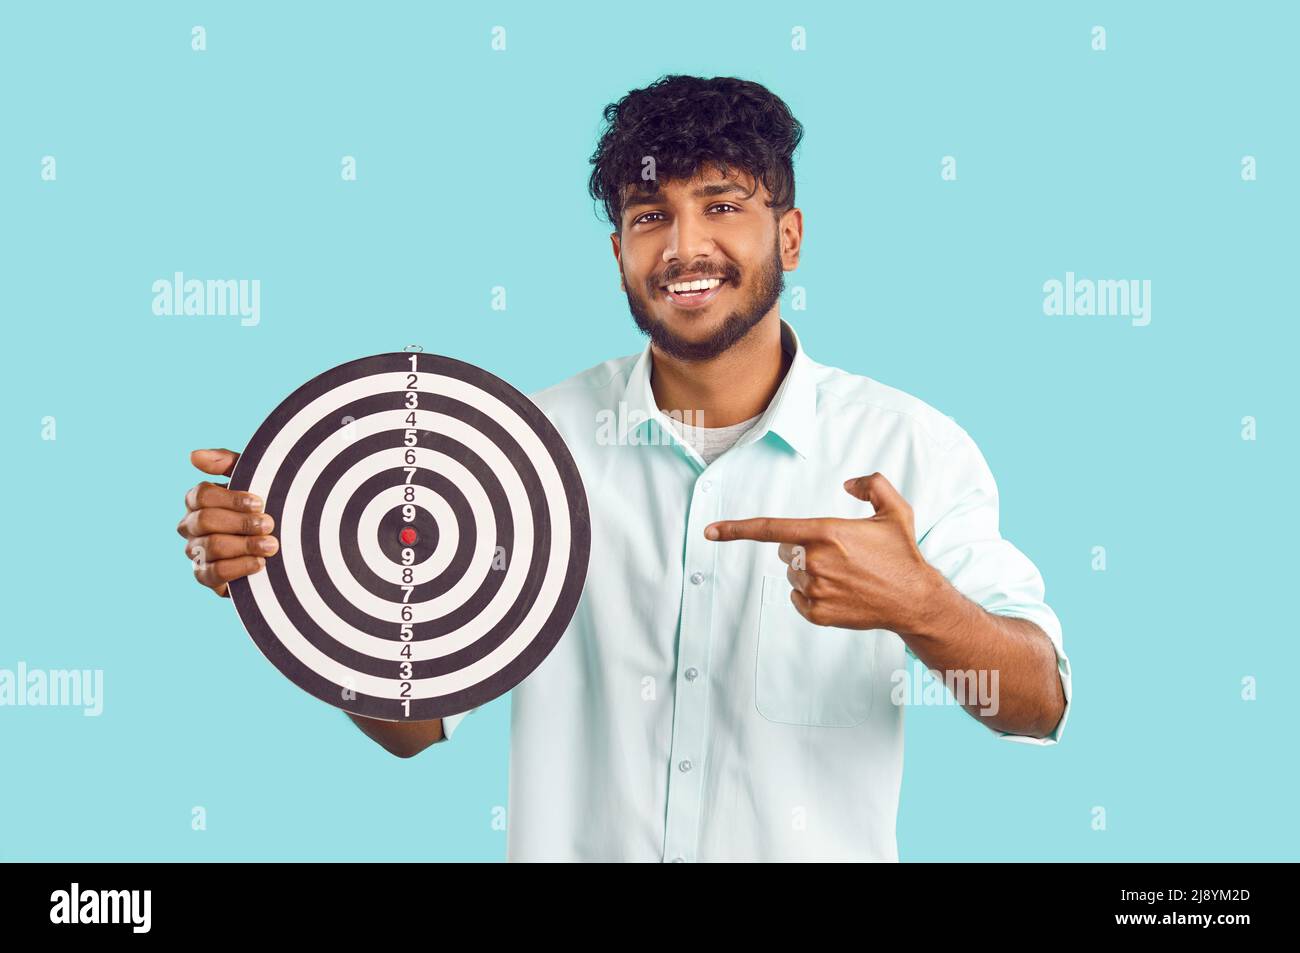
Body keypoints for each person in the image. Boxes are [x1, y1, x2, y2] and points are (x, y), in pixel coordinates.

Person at [178, 75, 1071, 862]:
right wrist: (295, 585)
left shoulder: (911, 448)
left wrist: (921, 604)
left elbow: (1040, 700)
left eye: (723, 205)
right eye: (651, 217)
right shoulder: (522, 449)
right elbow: (415, 726)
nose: (685, 247)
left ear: (790, 237)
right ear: (619, 254)